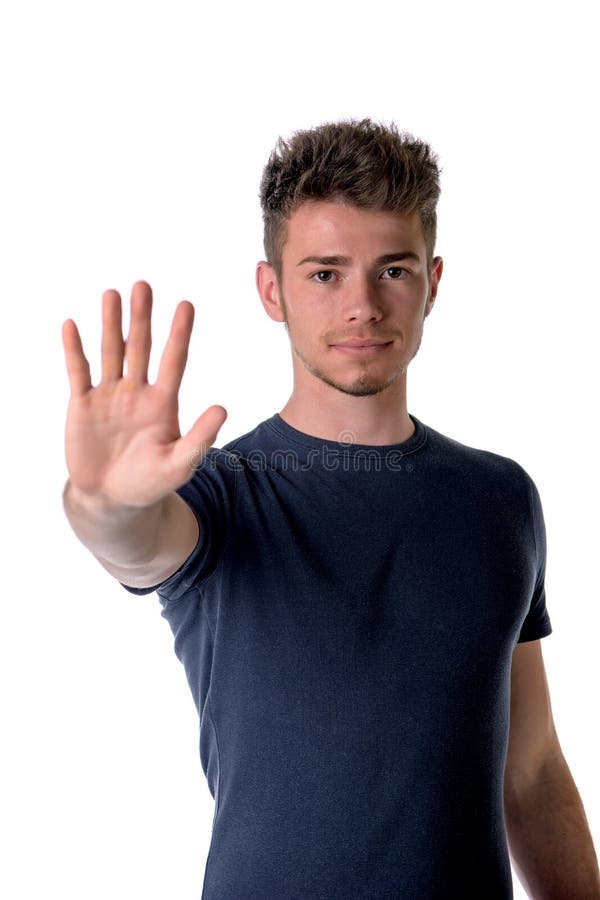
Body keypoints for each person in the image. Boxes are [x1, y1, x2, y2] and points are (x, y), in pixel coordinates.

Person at [61, 118, 600, 899]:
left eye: (392, 271)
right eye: (324, 274)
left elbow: (531, 764)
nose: (362, 307)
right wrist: (99, 500)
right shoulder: (223, 494)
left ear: (433, 283)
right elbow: (135, 541)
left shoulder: (501, 499)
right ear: (271, 289)